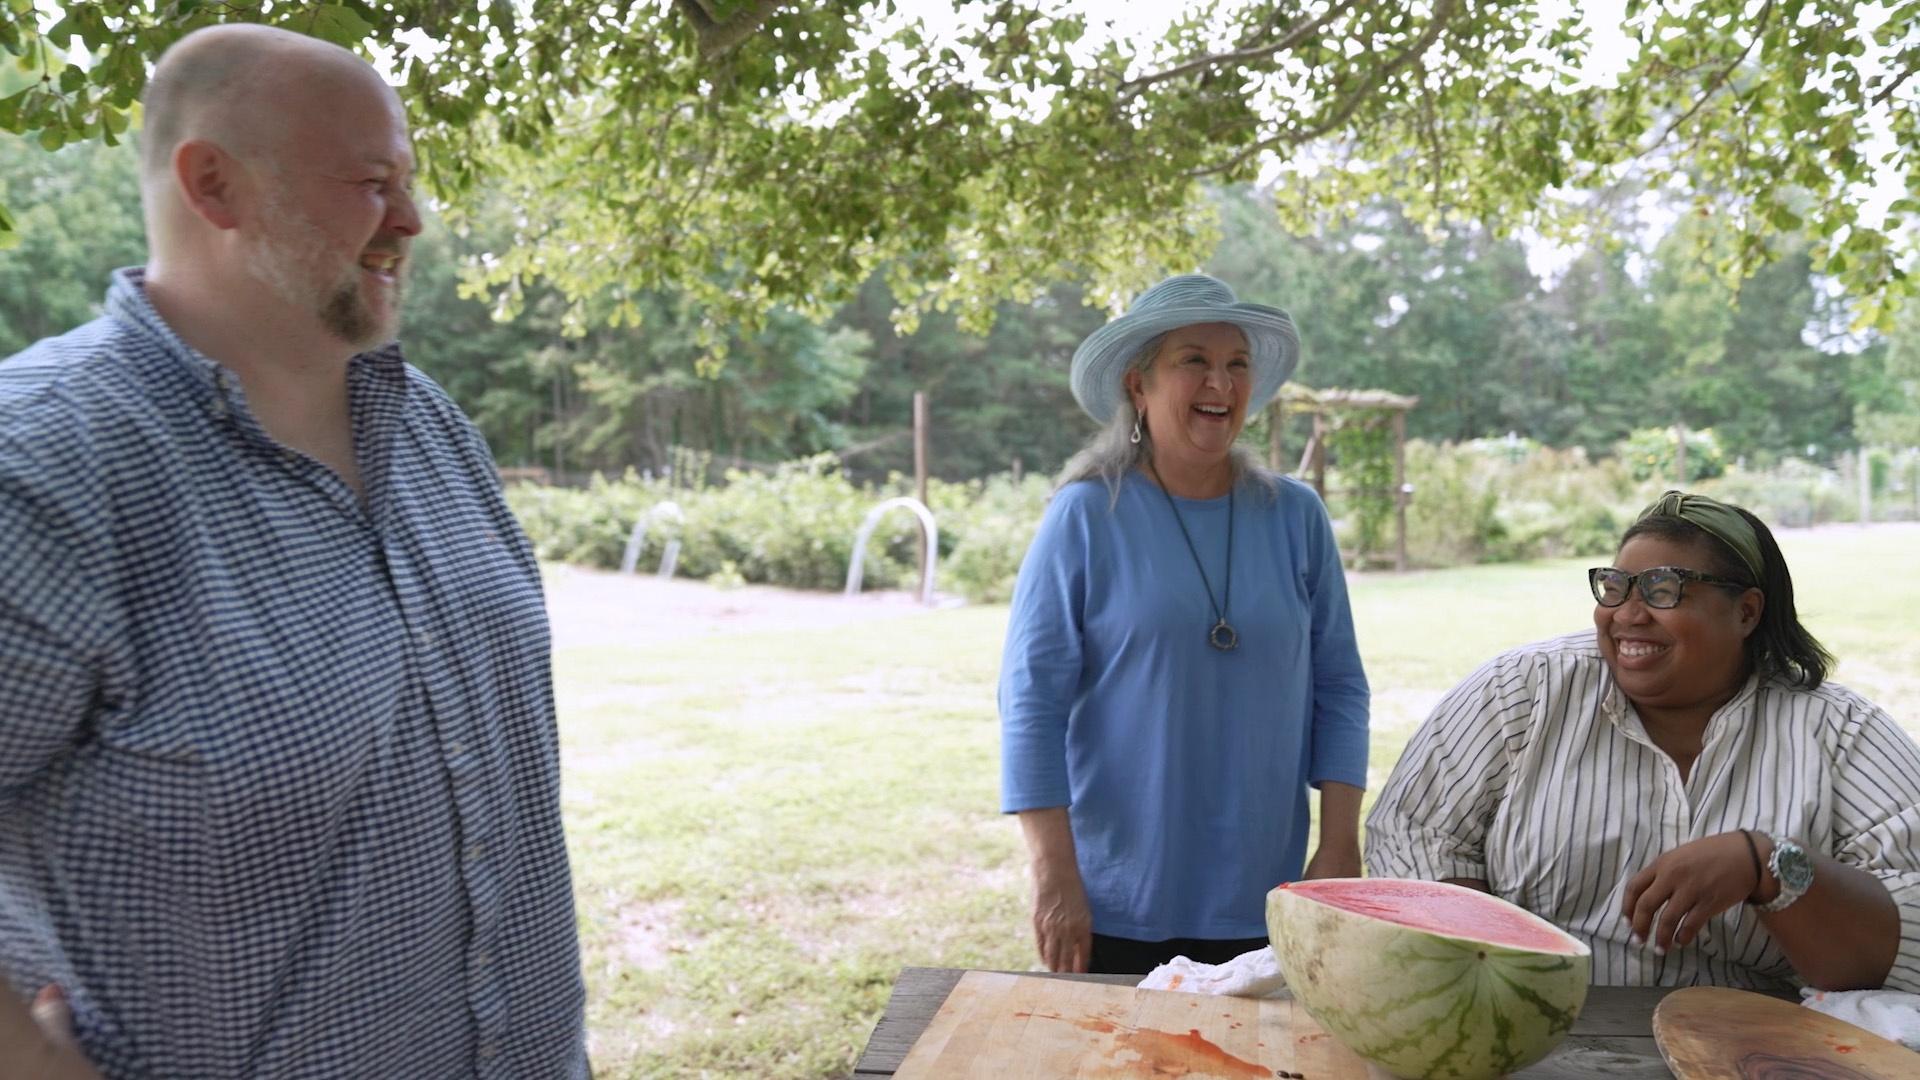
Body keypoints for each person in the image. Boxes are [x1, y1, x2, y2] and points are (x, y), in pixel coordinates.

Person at [0, 25, 587, 1078]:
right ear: (215, 185)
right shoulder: (43, 469)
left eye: (408, 182)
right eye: (371, 182)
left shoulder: (434, 429)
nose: (411, 220)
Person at [1366, 491, 1920, 992]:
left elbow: (1906, 935)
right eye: (1615, 586)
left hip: (1754, 1046)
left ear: (1746, 612)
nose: (1627, 615)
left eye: (1663, 590)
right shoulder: (1523, 693)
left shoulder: (1843, 734)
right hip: (1529, 1027)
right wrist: (1494, 972)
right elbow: (1416, 838)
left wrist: (1769, 868)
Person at [998, 274, 1371, 976]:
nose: (1220, 382)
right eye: (1193, 360)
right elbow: (1030, 703)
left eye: (1237, 364)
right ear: (1138, 385)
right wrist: (1052, 874)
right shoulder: (1084, 517)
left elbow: (1341, 687)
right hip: (1117, 899)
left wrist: (1340, 841)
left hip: (1271, 897)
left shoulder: (1296, 517)